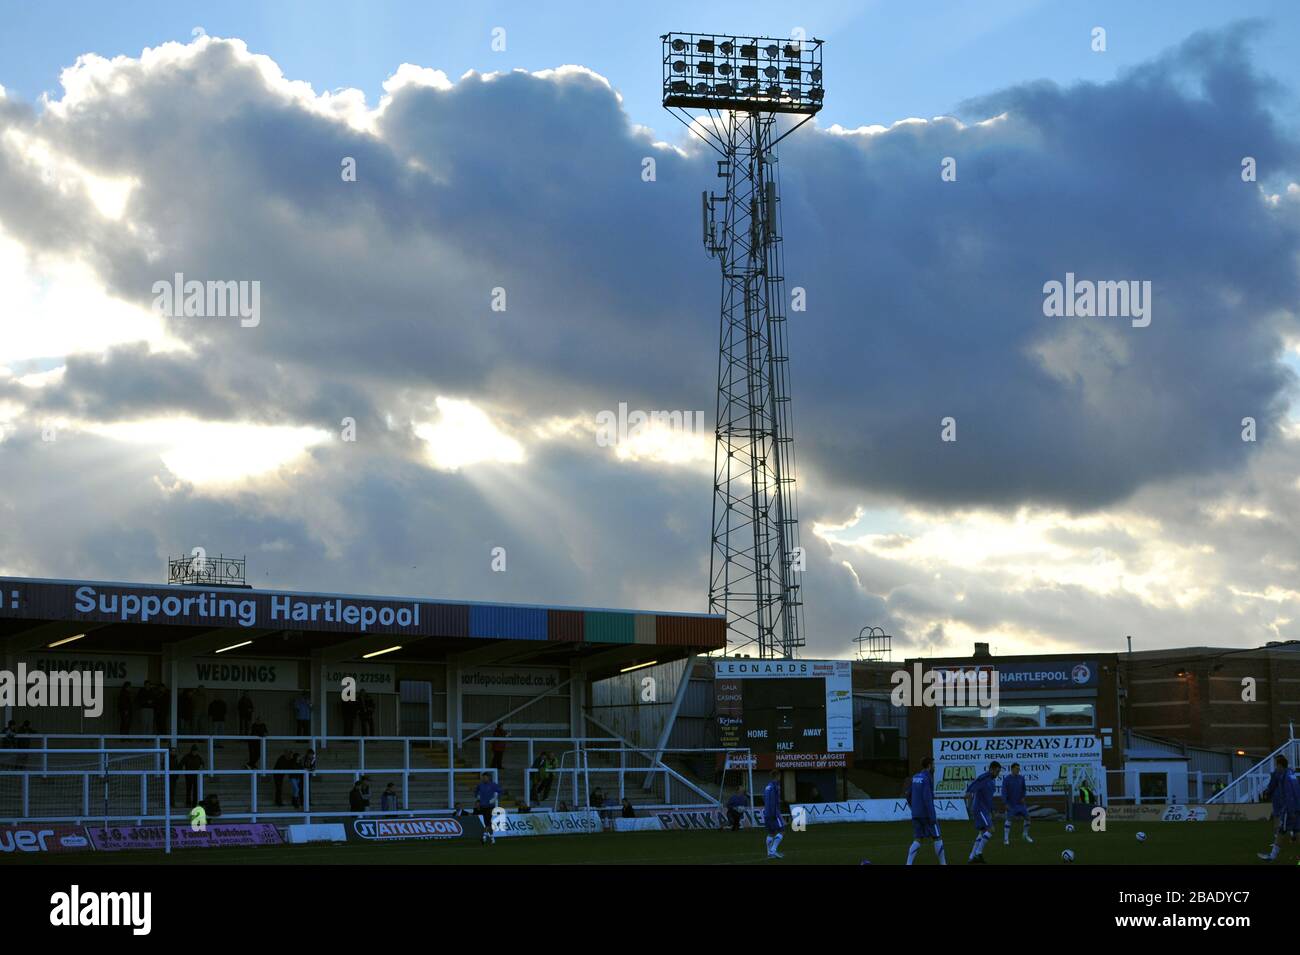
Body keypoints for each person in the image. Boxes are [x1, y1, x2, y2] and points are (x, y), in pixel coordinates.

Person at [1258, 754, 1300, 862]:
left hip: (1289, 808)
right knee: (1297, 831)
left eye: (1277, 765)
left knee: (1281, 831)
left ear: (1280, 766)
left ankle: (1272, 856)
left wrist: (1290, 811)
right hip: (1297, 806)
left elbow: (1289, 794)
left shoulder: (1284, 777)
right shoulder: (1292, 774)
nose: (1276, 768)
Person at [905, 756, 946, 865]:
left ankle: (908, 864)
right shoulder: (927, 778)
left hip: (916, 814)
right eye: (933, 765)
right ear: (929, 766)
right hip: (927, 815)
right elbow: (927, 798)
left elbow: (908, 795)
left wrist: (913, 808)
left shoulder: (915, 777)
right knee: (937, 837)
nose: (934, 767)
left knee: (918, 839)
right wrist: (932, 816)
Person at [965, 760, 1001, 864]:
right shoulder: (985, 777)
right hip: (980, 809)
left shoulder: (992, 780)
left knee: (981, 833)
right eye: (997, 771)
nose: (998, 774)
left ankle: (971, 856)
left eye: (999, 772)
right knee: (990, 829)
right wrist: (969, 791)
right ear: (991, 769)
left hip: (984, 809)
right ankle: (978, 853)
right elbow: (975, 783)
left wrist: (992, 810)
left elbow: (988, 798)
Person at [1001, 762, 1033, 845]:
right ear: (1012, 769)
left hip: (1020, 804)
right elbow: (1004, 792)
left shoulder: (1021, 778)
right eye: (1016, 769)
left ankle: (1025, 835)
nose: (1018, 770)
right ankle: (1006, 839)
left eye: (1019, 769)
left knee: (1028, 818)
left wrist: (1023, 797)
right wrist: (1005, 803)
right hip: (1011, 804)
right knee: (1009, 820)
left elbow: (1024, 789)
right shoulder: (1007, 779)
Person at [474, 771, 503, 846]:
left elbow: (500, 791)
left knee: (487, 822)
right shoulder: (480, 785)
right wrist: (477, 798)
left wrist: (496, 798)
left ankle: (484, 837)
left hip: (490, 806)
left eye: (485, 777)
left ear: (489, 778)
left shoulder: (493, 785)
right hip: (483, 806)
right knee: (488, 822)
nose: (484, 779)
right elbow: (476, 791)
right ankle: (492, 838)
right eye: (483, 777)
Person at [762, 770, 784, 859]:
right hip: (774, 812)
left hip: (767, 812)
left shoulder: (767, 786)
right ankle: (773, 851)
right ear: (777, 776)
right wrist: (775, 812)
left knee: (771, 833)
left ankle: (769, 853)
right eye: (780, 776)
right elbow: (774, 800)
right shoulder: (775, 786)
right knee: (782, 830)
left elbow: (765, 798)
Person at [179, 744, 204, 809]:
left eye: (196, 751)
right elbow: (181, 764)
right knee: (188, 789)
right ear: (191, 751)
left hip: (196, 776)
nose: (195, 752)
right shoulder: (186, 756)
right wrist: (183, 769)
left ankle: (194, 803)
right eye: (194, 751)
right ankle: (188, 803)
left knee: (195, 790)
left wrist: (201, 767)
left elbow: (202, 764)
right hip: (188, 776)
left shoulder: (198, 757)